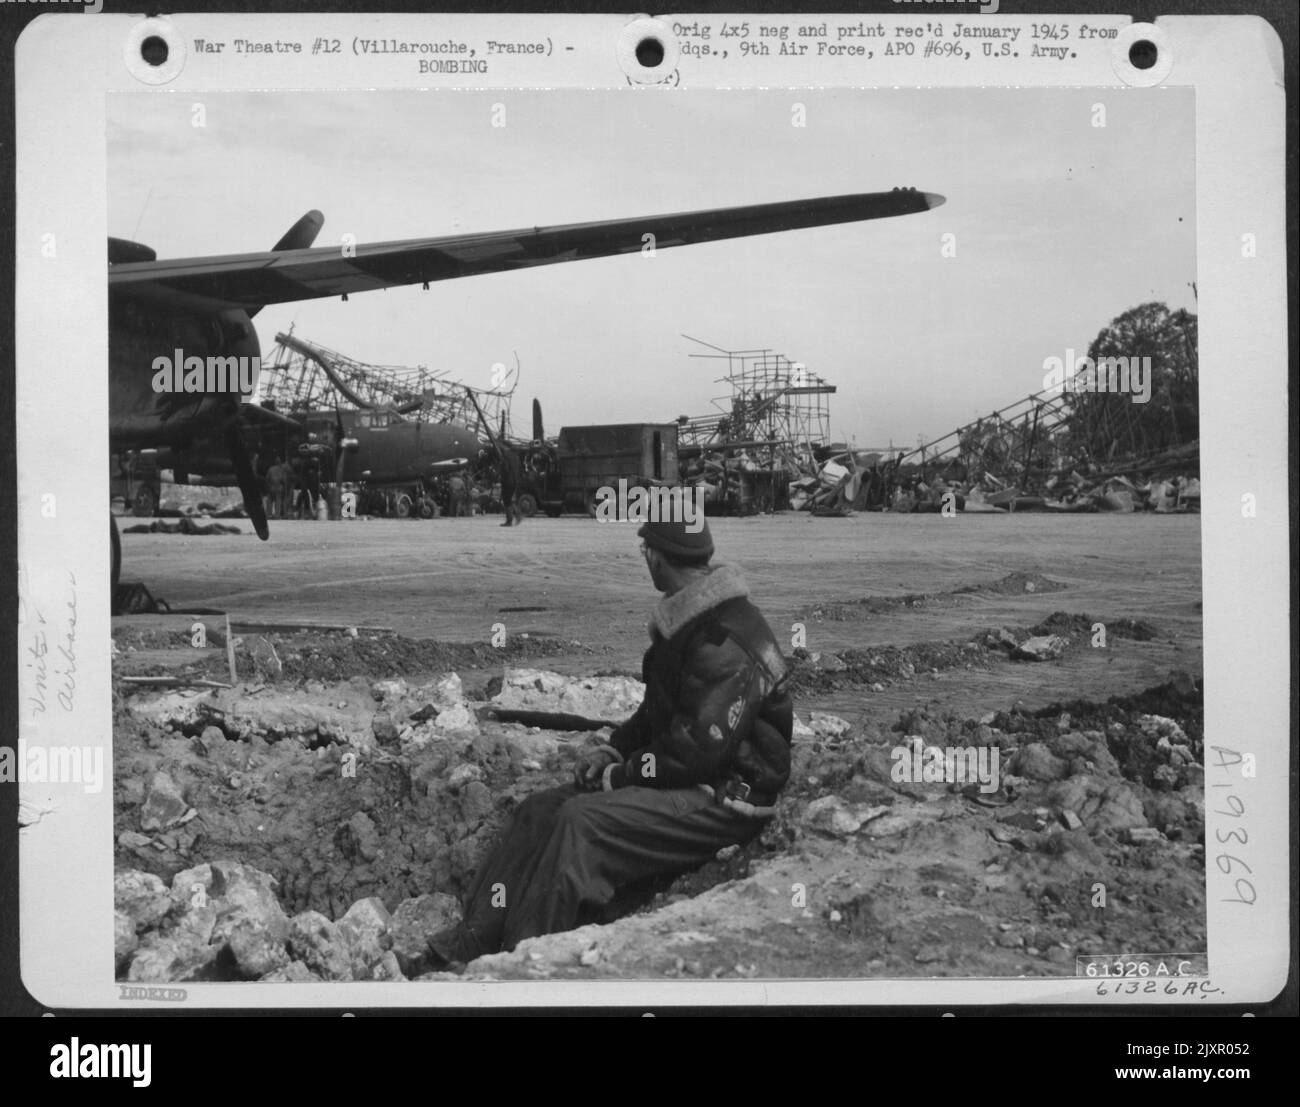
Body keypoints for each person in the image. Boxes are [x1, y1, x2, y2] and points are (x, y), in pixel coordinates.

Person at [426, 515, 793, 966]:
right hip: (691, 779)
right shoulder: (692, 619)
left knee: (581, 823)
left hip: (727, 796)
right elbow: (659, 714)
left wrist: (623, 775)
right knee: (538, 812)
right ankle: (473, 939)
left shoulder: (725, 638)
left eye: (645, 552)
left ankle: (521, 961)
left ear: (657, 557)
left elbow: (696, 750)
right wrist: (616, 749)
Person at [497, 444, 524, 526]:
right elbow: (520, 470)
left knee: (507, 501)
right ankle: (517, 515)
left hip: (507, 481)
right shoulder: (516, 457)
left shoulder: (505, 457)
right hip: (514, 481)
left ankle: (510, 520)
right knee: (509, 500)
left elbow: (505, 469)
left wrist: (501, 476)